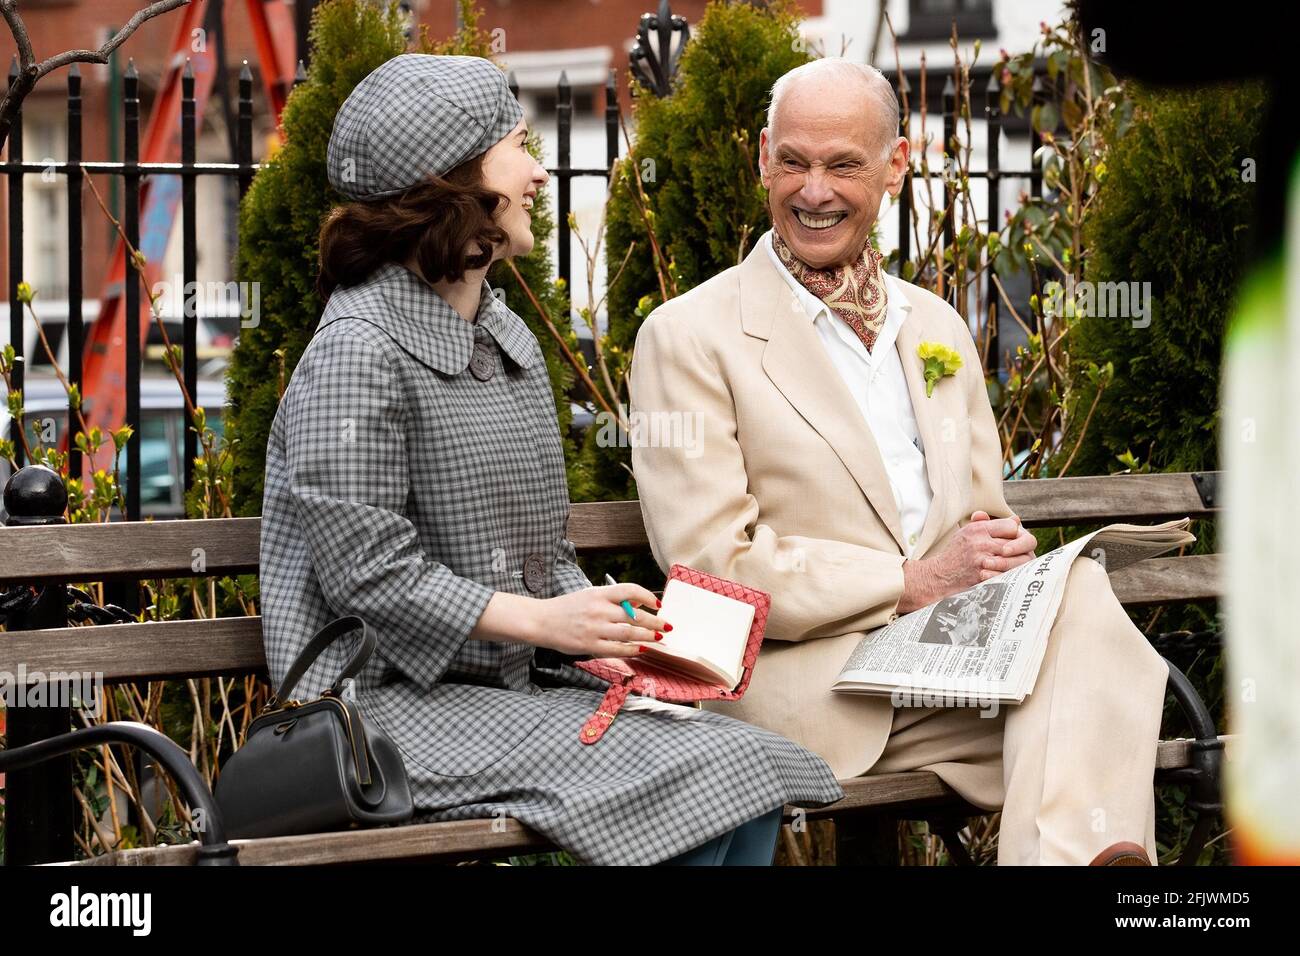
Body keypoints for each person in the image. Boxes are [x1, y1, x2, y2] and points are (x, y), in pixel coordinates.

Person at [256, 53, 843, 867]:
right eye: (516, 148)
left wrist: (607, 633)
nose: (537, 172)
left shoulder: (506, 340)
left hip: (504, 690)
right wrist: (543, 622)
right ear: (455, 182)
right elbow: (370, 577)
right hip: (383, 712)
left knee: (748, 770)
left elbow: (541, 557)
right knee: (710, 780)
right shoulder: (355, 353)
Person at [628, 58, 1168, 866]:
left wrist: (999, 558)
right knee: (1097, 702)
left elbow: (978, 517)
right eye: (794, 162)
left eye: (844, 164)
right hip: (804, 686)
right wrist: (913, 583)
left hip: (950, 671)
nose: (814, 191)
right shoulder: (687, 335)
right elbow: (712, 563)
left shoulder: (937, 326)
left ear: (895, 166)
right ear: (763, 159)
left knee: (1081, 616)